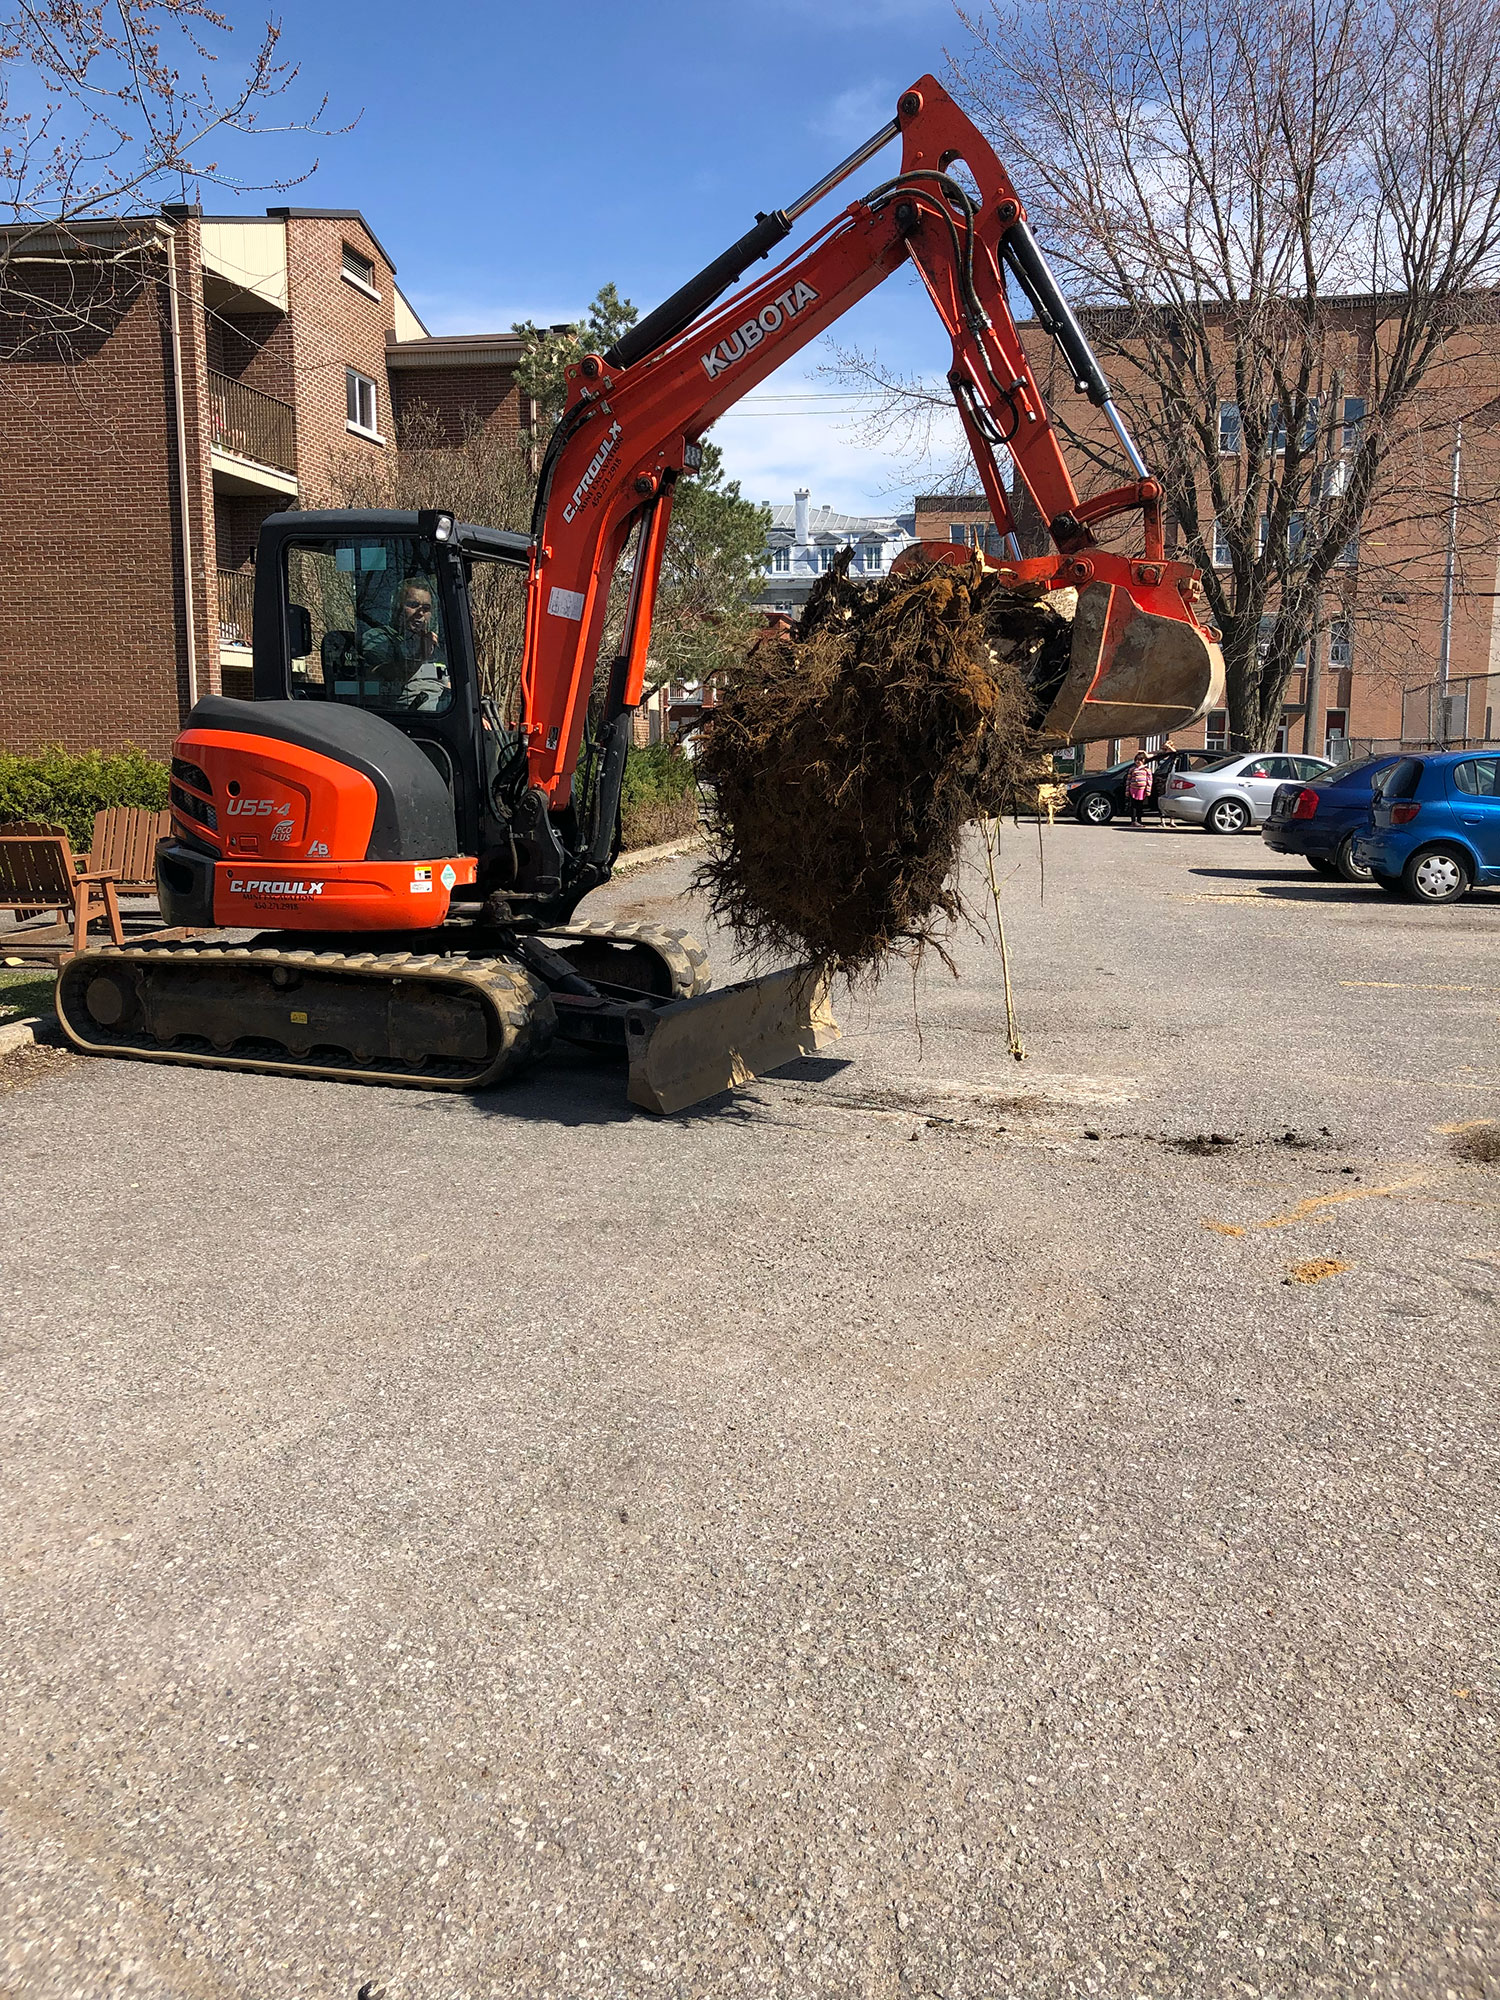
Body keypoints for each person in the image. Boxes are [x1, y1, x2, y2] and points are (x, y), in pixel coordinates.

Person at [1125, 748, 1153, 824]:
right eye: (1136, 760)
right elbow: (1128, 780)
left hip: (1142, 790)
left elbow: (1149, 780)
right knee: (1133, 805)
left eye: (1139, 760)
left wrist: (1148, 790)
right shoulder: (1132, 769)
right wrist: (1127, 790)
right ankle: (1133, 821)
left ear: (1143, 761)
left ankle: (1139, 820)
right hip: (1133, 789)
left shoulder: (1146, 769)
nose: (1137, 762)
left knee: (1140, 805)